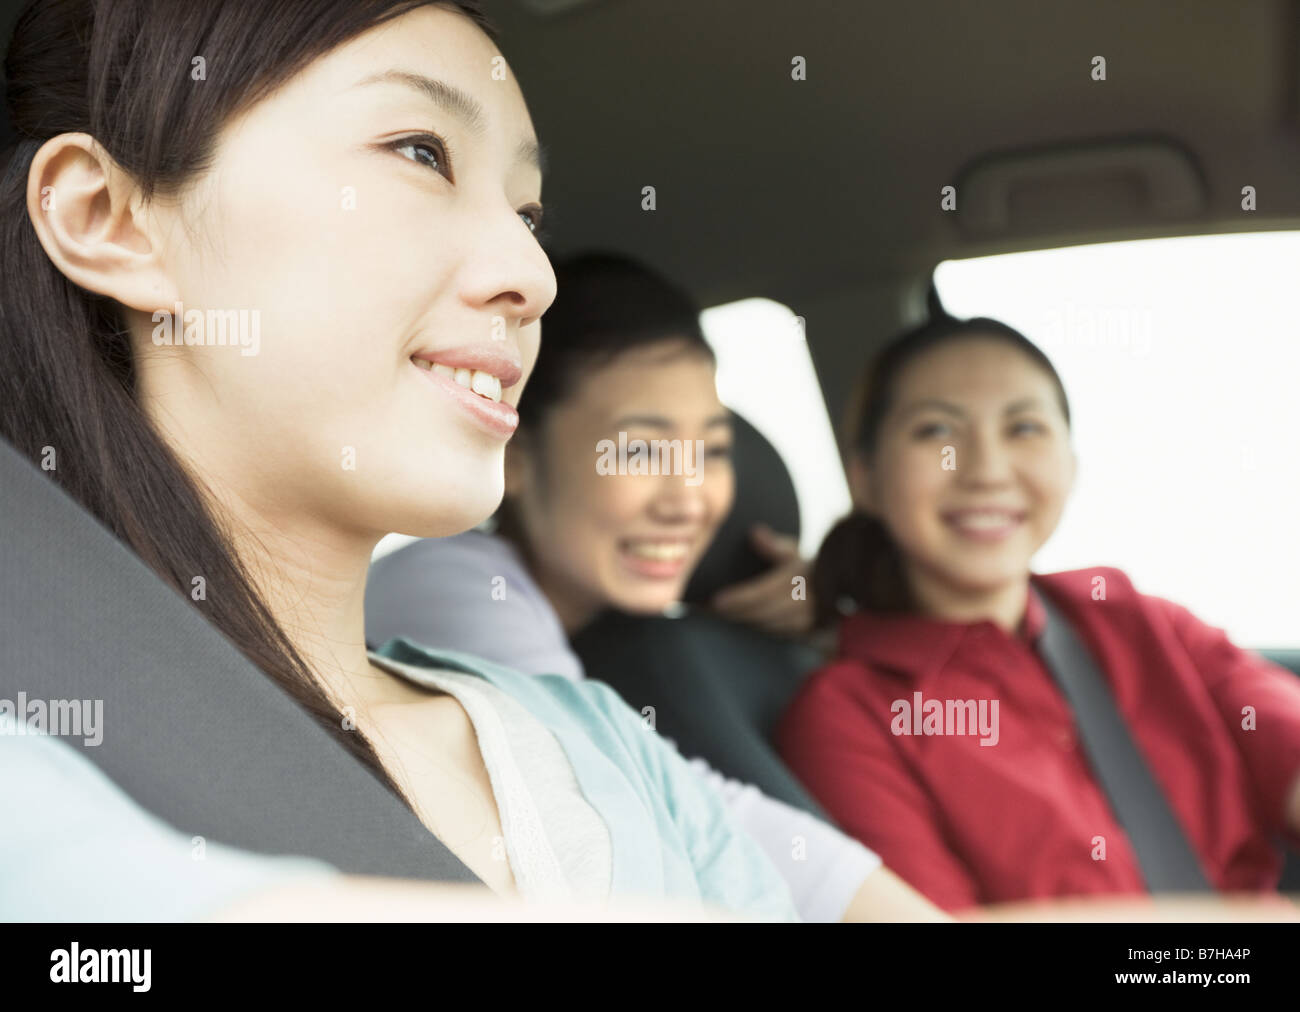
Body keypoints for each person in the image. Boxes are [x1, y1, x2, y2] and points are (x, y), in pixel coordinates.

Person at [0, 0, 798, 921]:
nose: (533, 278)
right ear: (110, 220)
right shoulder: (39, 728)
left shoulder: (610, 745)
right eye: (421, 152)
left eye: (528, 211)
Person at [366, 252, 950, 922]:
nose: (691, 498)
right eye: (639, 451)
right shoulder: (445, 586)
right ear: (517, 456)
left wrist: (817, 620)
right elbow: (621, 784)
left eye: (713, 450)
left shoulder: (653, 632)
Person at [774, 315, 1300, 912]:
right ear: (864, 477)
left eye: (1024, 427)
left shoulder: (1141, 623)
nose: (986, 470)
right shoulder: (847, 716)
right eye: (937, 430)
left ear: (1071, 465)